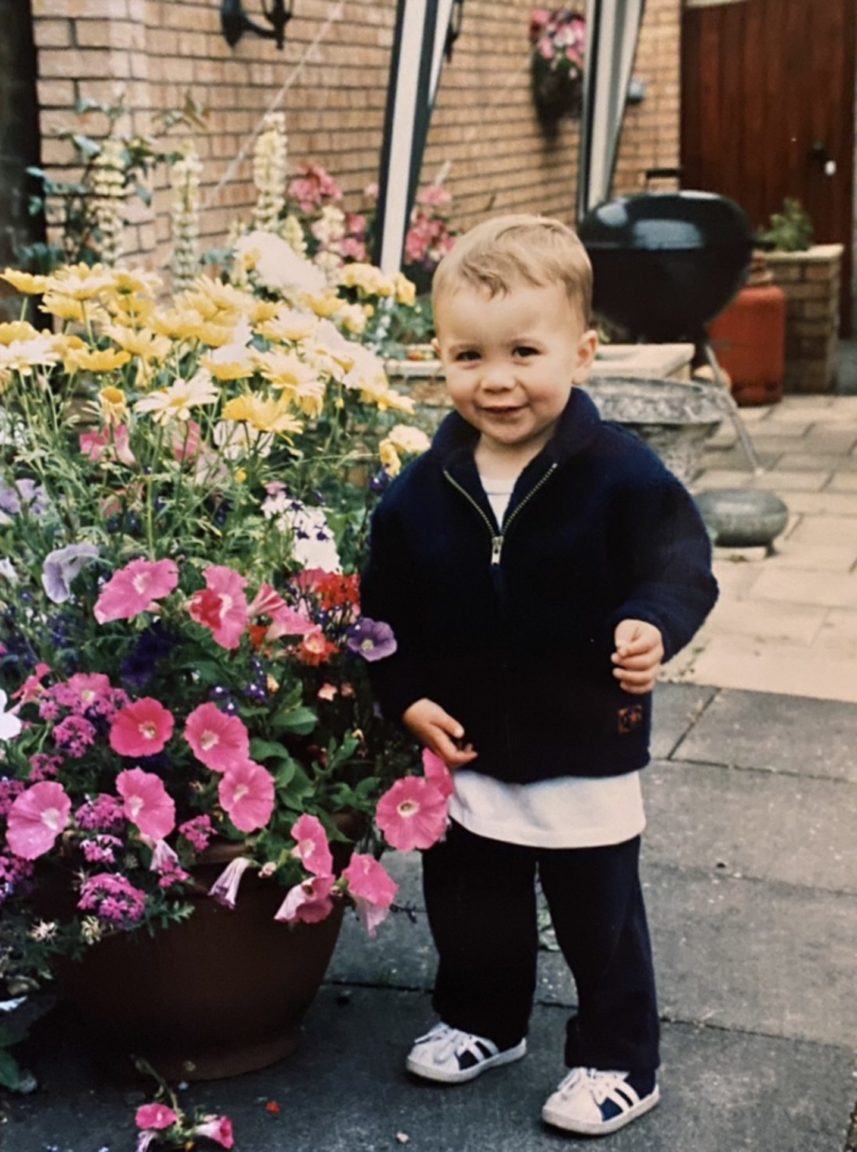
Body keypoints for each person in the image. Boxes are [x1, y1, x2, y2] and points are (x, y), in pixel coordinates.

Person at [360, 214, 718, 1137]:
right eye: (467, 355)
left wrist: (652, 623)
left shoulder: (621, 476)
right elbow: (383, 609)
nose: (496, 379)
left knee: (598, 916)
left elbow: (679, 566)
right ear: (437, 357)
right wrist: (405, 696)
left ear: (583, 351)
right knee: (473, 905)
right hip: (468, 742)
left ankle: (617, 1058)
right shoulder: (422, 488)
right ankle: (485, 1019)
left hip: (580, 735)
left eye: (524, 350)